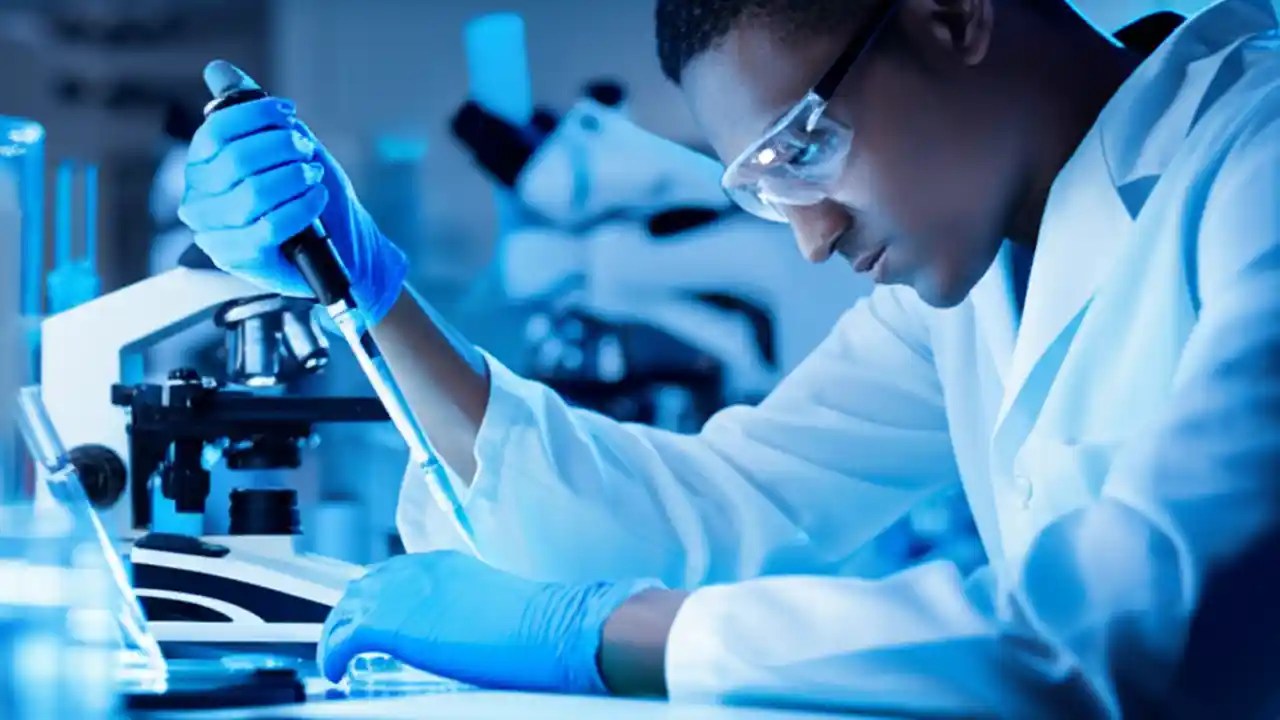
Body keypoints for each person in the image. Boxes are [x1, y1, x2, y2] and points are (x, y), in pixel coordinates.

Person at [177, 0, 1280, 715]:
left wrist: (598, 636)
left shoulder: (1256, 160)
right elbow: (721, 504)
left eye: (803, 147)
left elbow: (1139, 642)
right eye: (764, 184)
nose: (808, 235)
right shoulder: (976, 267)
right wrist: (376, 295)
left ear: (948, 15)